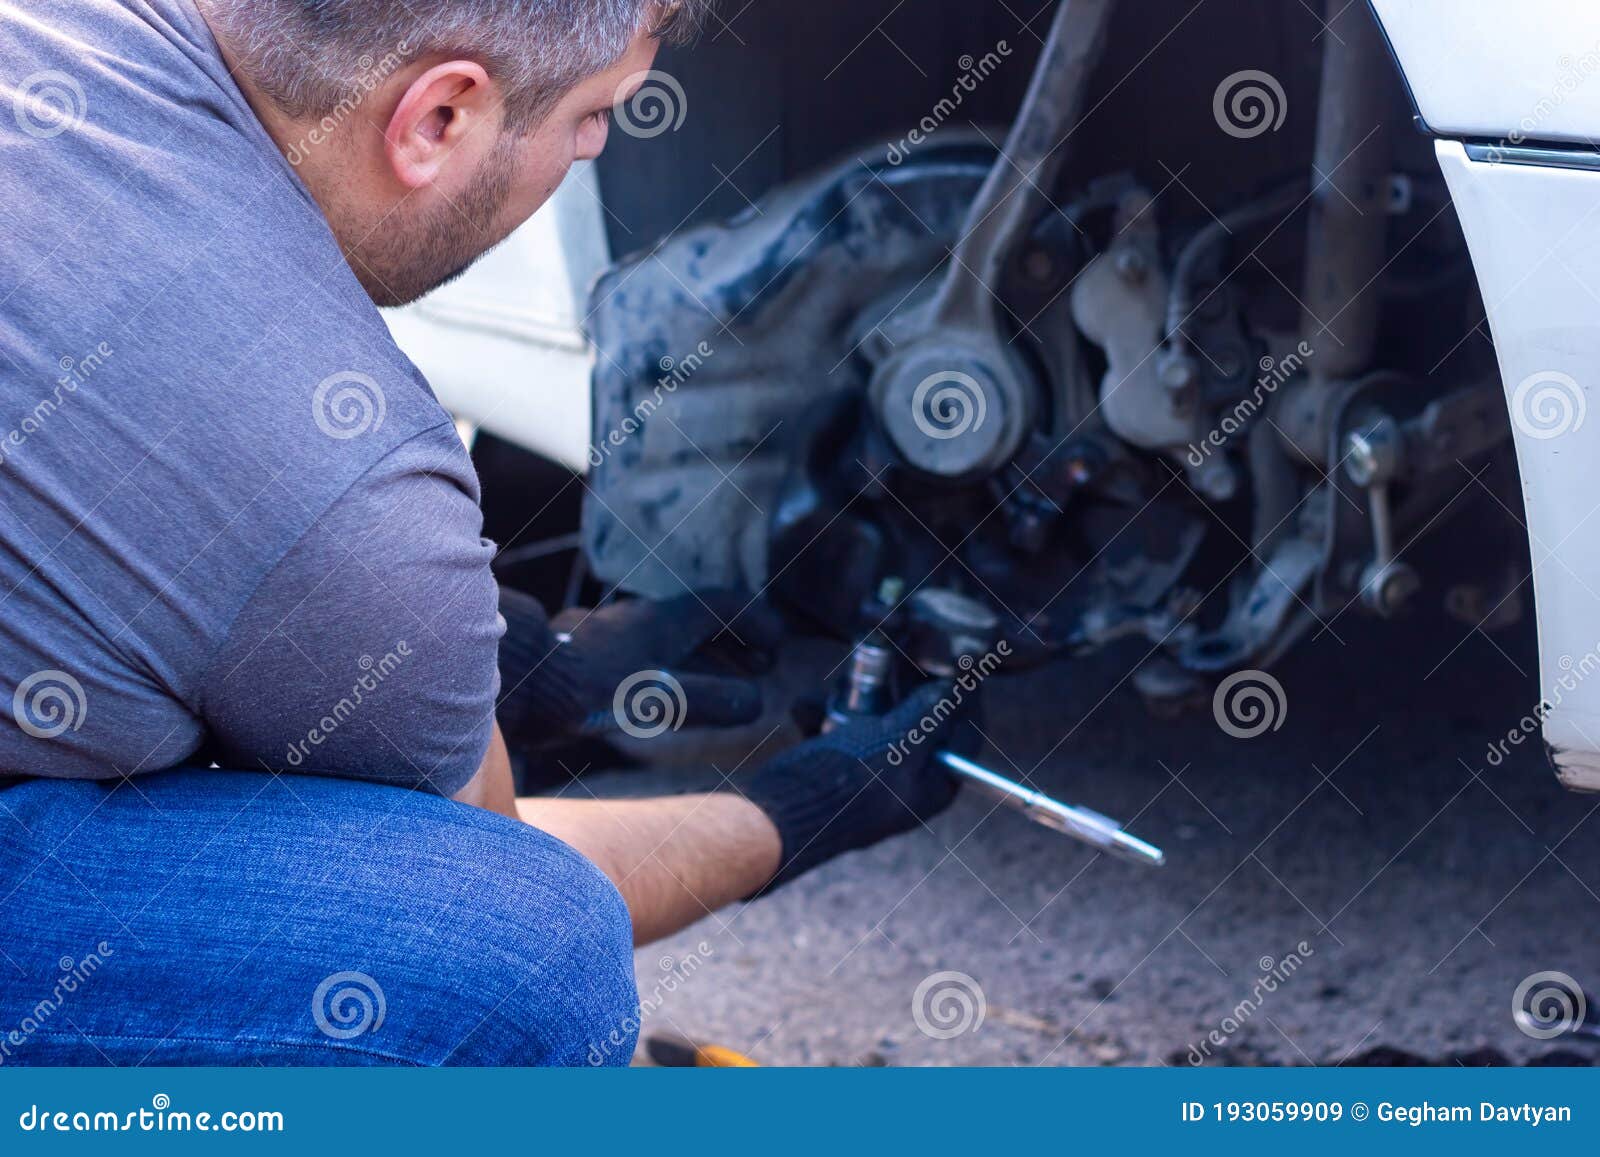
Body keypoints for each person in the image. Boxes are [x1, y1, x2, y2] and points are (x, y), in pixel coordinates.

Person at [0, 0, 968, 1066]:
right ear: (439, 118)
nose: (598, 144)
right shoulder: (343, 477)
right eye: (596, 113)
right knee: (515, 956)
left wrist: (512, 662)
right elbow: (482, 859)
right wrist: (806, 808)